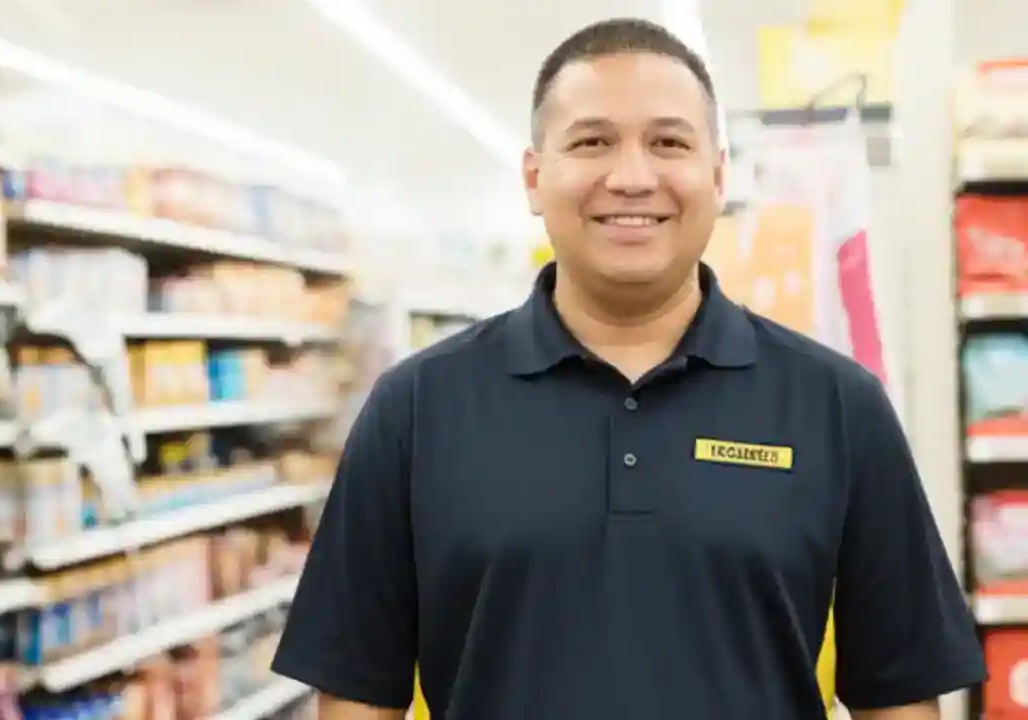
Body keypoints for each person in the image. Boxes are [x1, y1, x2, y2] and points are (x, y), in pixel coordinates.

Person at [272, 17, 985, 720]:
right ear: (534, 177)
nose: (633, 177)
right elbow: (358, 695)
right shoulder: (417, 408)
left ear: (717, 175)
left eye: (668, 142)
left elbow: (900, 696)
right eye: (593, 142)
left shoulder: (837, 405)